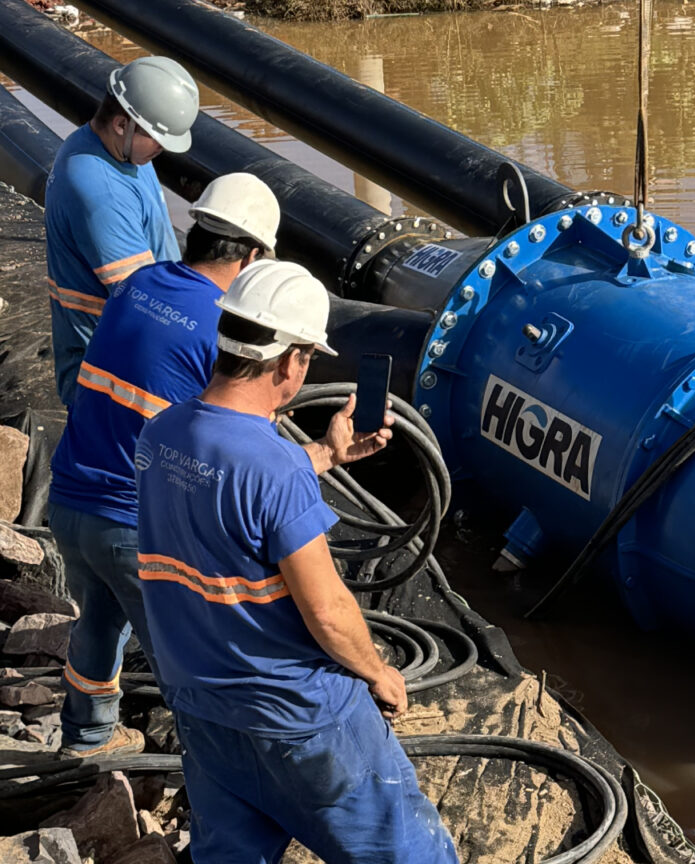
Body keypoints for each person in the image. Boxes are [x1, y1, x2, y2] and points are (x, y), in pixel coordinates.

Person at [134, 260, 459, 863]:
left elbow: (230, 486)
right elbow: (328, 611)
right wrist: (377, 672)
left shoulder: (161, 435)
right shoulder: (275, 471)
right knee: (408, 853)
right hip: (299, 720)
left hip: (203, 706)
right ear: (291, 362)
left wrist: (325, 455)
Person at [47, 173, 280, 758]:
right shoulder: (223, 326)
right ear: (252, 257)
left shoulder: (138, 283)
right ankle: (217, 773)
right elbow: (238, 443)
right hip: (134, 523)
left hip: (69, 499)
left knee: (99, 619)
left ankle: (85, 740)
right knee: (185, 653)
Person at [45, 55, 199, 407]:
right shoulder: (99, 190)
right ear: (121, 124)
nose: (162, 149)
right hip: (110, 378)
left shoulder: (120, 153)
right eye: (157, 138)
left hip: (134, 354)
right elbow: (146, 303)